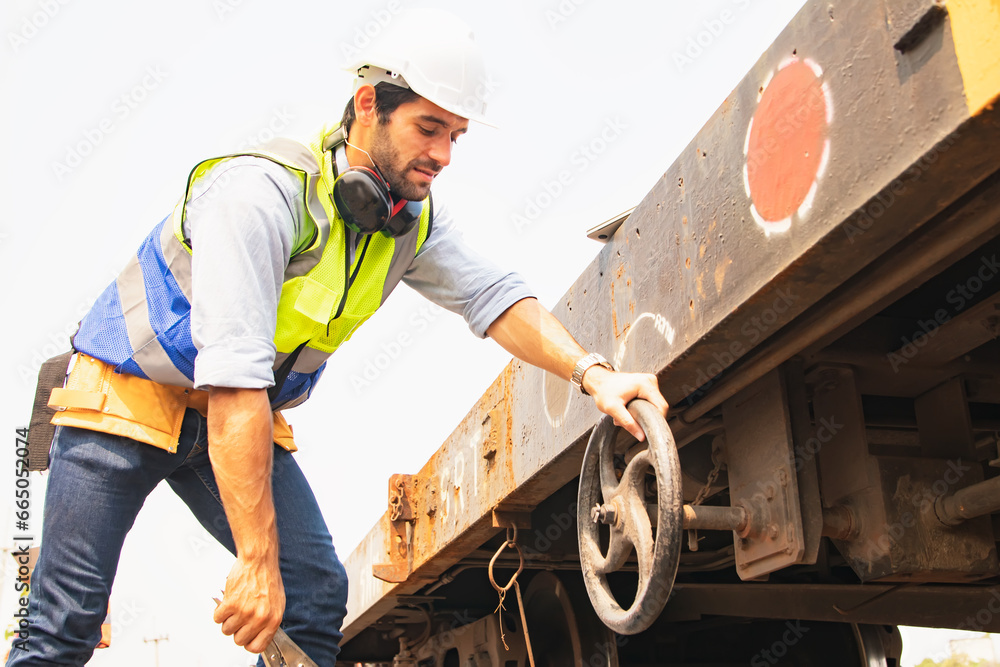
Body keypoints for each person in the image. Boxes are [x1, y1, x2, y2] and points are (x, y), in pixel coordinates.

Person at [11, 9, 667, 665]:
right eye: (428, 127)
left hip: (231, 413)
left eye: (456, 136)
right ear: (368, 105)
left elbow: (494, 296)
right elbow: (237, 378)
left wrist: (594, 373)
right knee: (63, 626)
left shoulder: (405, 222)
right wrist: (255, 560)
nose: (441, 154)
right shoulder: (260, 197)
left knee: (314, 597)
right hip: (126, 398)